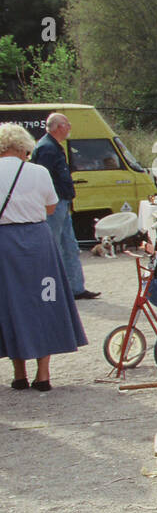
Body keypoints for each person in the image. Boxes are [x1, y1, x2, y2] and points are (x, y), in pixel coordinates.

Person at [0, 123, 87, 391]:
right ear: (22, 145)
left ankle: (19, 373)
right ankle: (44, 374)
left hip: (4, 242)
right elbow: (51, 207)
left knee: (10, 303)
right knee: (44, 300)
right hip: (38, 241)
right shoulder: (38, 172)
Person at [31, 112, 97, 299]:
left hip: (62, 201)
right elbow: (44, 178)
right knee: (55, 247)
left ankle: (76, 288)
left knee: (69, 245)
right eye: (67, 124)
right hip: (54, 203)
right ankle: (53, 290)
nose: (69, 128)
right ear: (58, 127)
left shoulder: (53, 147)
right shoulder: (47, 149)